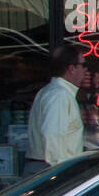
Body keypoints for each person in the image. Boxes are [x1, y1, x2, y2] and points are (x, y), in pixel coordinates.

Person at [25, 44, 88, 174]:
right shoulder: (59, 95)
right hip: (50, 170)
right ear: (71, 68)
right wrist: (61, 174)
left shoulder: (54, 92)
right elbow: (53, 135)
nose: (86, 70)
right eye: (83, 65)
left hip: (45, 168)